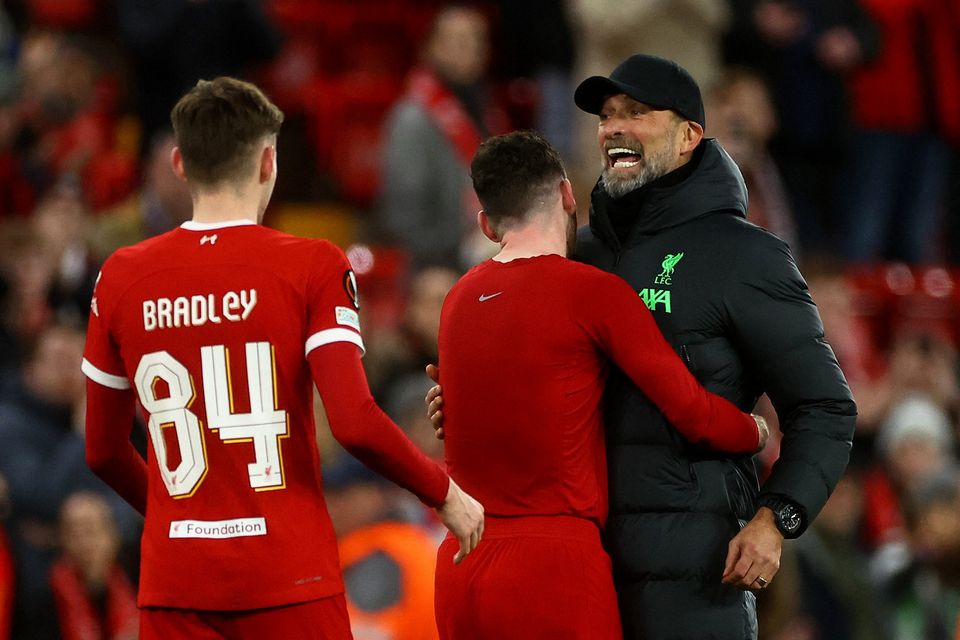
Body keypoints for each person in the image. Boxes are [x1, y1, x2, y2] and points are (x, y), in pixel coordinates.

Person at [430, 55, 856, 639]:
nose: (613, 128)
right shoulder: (575, 260)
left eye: (636, 112)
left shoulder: (745, 256)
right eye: (606, 116)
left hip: (695, 580)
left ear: (689, 137)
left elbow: (825, 407)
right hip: (577, 573)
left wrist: (774, 518)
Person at [81, 77, 483, 639]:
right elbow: (355, 422)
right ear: (268, 161)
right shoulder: (312, 264)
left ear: (178, 163)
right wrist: (444, 494)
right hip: (287, 575)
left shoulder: (120, 276)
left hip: (177, 582)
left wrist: (175, 518)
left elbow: (102, 450)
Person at [433, 131, 767, 639]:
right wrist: (755, 431)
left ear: (486, 223)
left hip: (462, 566)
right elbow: (693, 411)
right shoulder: (592, 293)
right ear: (569, 196)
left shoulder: (456, 301)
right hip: (554, 568)